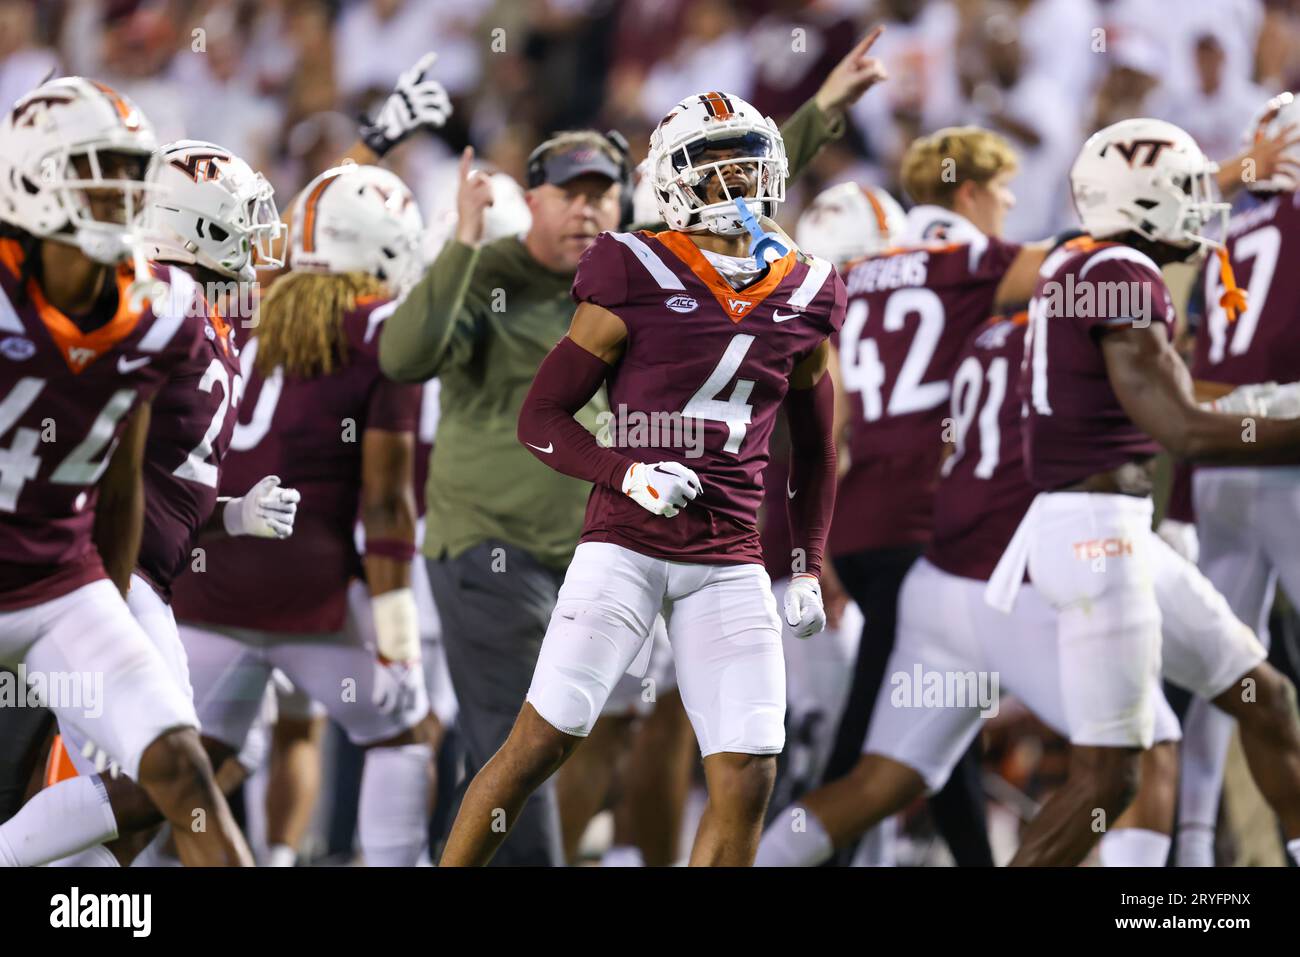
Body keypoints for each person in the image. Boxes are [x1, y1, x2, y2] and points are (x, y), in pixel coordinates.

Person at [378, 29, 889, 866]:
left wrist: (805, 560)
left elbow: (815, 446)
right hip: (626, 542)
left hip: (729, 557)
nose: (738, 182)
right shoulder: (631, 265)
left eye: (746, 162)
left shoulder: (808, 287)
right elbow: (542, 414)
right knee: (536, 747)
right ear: (677, 181)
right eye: (716, 166)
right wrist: (627, 472)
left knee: (748, 773)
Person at [756, 305, 1184, 868]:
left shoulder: (979, 335)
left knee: (874, 783)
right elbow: (1168, 415)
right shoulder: (1070, 339)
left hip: (936, 585)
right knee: (1146, 746)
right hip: (1009, 585)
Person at [987, 117, 1300, 867]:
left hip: (1113, 533)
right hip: (1097, 541)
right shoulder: (1118, 276)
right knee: (1109, 778)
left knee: (1269, 700)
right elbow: (1183, 429)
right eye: (1188, 191)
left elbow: (1178, 413)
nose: (1203, 206)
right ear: (1145, 203)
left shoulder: (1081, 261)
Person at [0, 138, 301, 867]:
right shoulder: (161, 308)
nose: (261, 240)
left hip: (133, 574)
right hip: (102, 573)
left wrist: (229, 514)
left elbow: (169, 473)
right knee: (163, 780)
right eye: (245, 220)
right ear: (198, 227)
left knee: (141, 804)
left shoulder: (212, 315)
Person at [169, 163, 435, 866]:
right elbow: (384, 498)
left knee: (185, 764)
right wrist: (397, 626)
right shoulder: (381, 327)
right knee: (401, 735)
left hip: (203, 577)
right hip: (307, 591)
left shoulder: (245, 299)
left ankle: (86, 877)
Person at [817, 127, 1052, 866]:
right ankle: (779, 852)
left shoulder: (852, 279)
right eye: (1003, 192)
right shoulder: (961, 263)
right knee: (865, 751)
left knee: (930, 728)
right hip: (920, 528)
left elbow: (834, 420)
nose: (1010, 205)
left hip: (858, 525)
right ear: (970, 194)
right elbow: (1078, 262)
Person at [1174, 91, 1300, 866]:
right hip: (1286, 454)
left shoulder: (1223, 220)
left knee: (1221, 666)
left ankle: (1187, 847)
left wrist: (1227, 173)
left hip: (1217, 458)